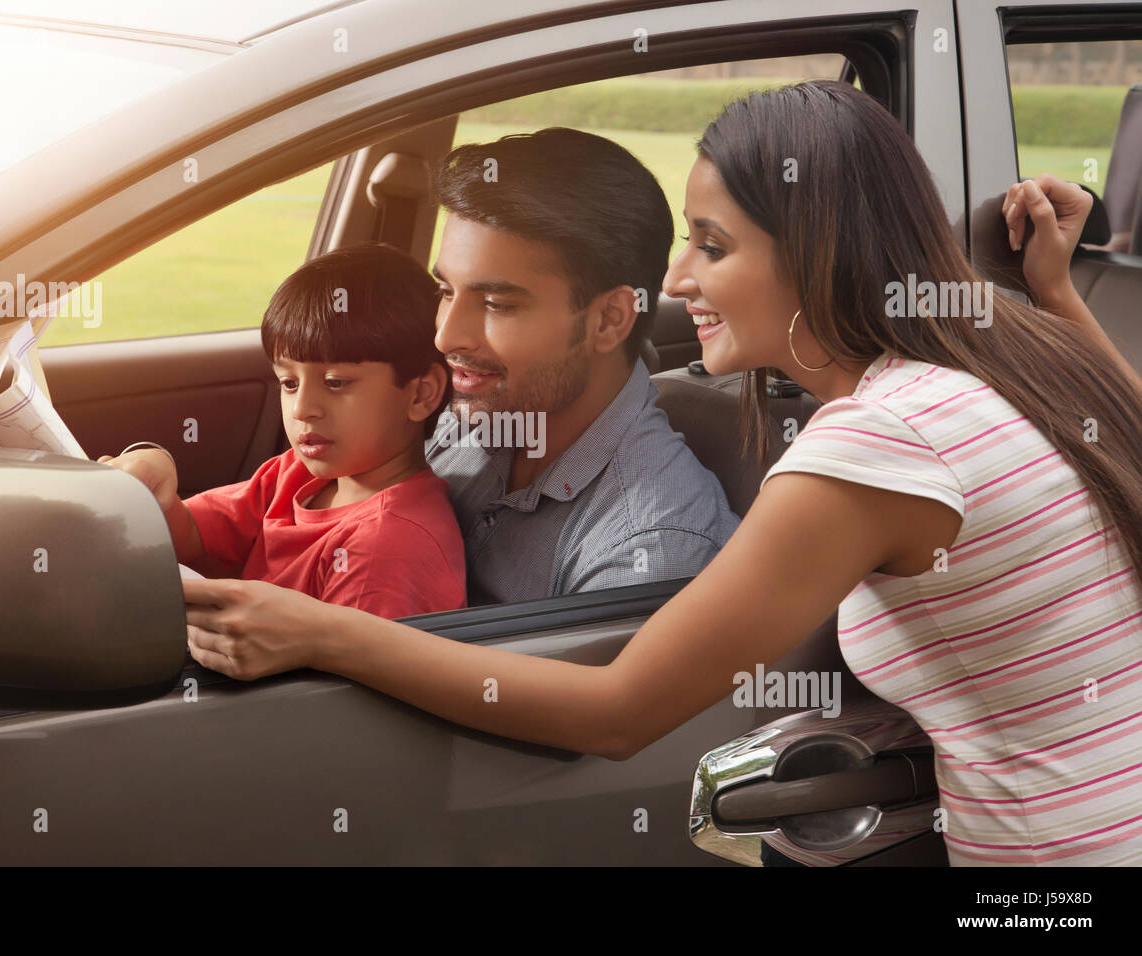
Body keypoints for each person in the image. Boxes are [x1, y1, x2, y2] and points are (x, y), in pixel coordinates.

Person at [183, 82, 1142, 866]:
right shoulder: (1003, 353)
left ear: (816, 257)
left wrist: (321, 635)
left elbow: (616, 710)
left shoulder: (872, 446)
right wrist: (1053, 291)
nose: (678, 281)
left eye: (712, 247)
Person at [424, 127, 740, 603]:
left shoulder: (648, 550)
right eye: (447, 291)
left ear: (609, 320)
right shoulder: (484, 408)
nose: (446, 336)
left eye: (496, 304)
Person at [102, 242, 466, 620]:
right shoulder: (293, 475)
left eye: (337, 382)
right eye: (289, 383)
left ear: (421, 394)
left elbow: (352, 671)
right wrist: (149, 471)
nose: (302, 408)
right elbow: (188, 537)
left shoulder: (388, 546)